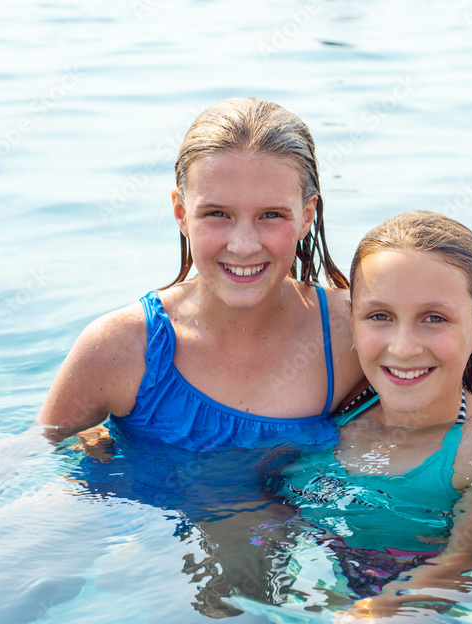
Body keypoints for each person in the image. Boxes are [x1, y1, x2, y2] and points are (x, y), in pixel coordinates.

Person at [37, 97, 364, 449]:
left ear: (306, 215)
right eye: (217, 214)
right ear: (181, 212)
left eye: (271, 215)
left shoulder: (353, 333)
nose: (243, 245)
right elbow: (33, 457)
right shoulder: (121, 348)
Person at [282, 211, 472, 624]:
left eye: (433, 318)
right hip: (328, 604)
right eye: (380, 316)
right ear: (352, 318)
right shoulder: (334, 413)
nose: (404, 346)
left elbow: (460, 568)